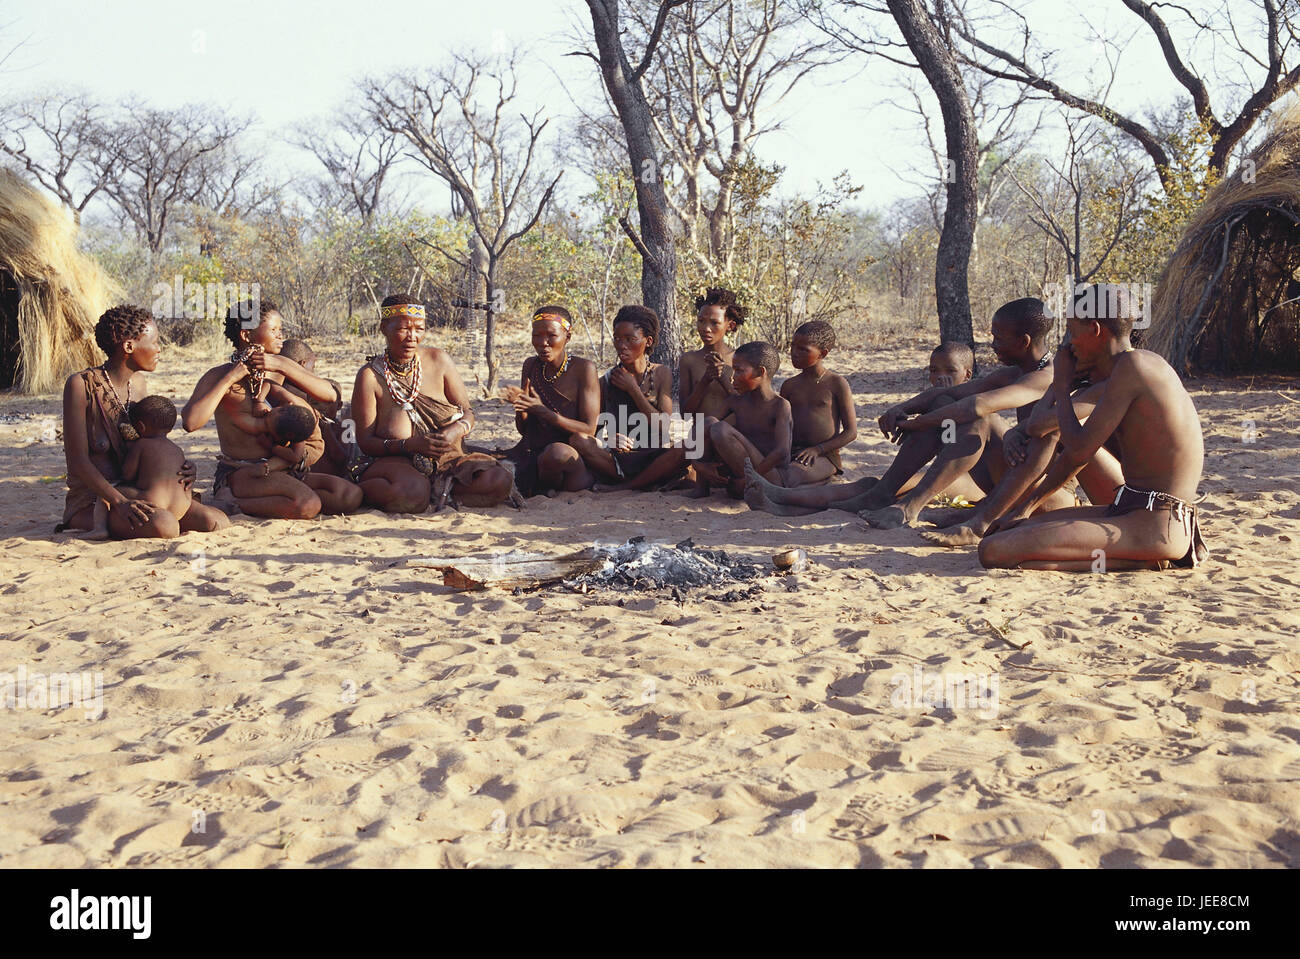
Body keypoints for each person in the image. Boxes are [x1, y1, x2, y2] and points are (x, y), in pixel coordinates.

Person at [742, 299, 1054, 523]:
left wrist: (918, 424)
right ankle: (785, 502)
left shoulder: (1045, 375)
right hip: (1001, 477)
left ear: (1024, 341)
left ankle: (907, 505)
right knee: (878, 483)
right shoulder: (1016, 370)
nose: (992, 343)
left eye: (998, 337)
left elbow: (976, 404)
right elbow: (951, 393)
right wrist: (902, 408)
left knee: (972, 416)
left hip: (1043, 494)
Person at [979, 284, 1207, 570]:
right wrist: (1023, 509)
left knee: (993, 551)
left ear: (1095, 330)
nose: (1068, 345)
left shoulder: (1135, 367)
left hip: (1156, 523)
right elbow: (1053, 437)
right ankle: (1138, 555)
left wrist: (1061, 387)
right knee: (1009, 531)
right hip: (1128, 511)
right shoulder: (1121, 371)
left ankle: (1147, 557)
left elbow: (1078, 449)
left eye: (1072, 332)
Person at [182, 297, 363, 518]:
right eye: (274, 329)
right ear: (246, 335)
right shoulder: (219, 375)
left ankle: (276, 497)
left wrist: (281, 364)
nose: (280, 335)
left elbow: (330, 397)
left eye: (281, 329)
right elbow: (191, 423)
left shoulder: (280, 368)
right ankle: (232, 501)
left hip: (282, 466)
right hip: (243, 471)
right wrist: (231, 378)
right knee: (307, 505)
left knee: (349, 495)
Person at [350, 294, 514, 512]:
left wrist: (456, 430)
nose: (412, 337)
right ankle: (409, 490)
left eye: (419, 329)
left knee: (498, 480)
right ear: (383, 328)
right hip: (396, 461)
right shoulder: (370, 376)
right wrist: (409, 445)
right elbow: (366, 442)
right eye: (403, 329)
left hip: (447, 458)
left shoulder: (439, 360)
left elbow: (468, 412)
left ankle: (437, 489)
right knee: (412, 493)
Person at [58, 304, 203, 539]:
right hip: (95, 503)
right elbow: (78, 463)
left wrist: (183, 470)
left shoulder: (139, 385)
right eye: (154, 342)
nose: (159, 349)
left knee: (212, 520)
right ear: (129, 346)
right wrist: (120, 502)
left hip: (139, 493)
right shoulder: (80, 385)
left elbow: (148, 442)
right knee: (165, 525)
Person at [601, 288, 744, 493]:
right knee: (691, 448)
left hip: (729, 437)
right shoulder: (689, 360)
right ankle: (667, 478)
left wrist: (723, 379)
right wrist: (705, 380)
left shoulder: (740, 360)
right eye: (701, 321)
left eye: (714, 322)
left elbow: (746, 408)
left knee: (733, 486)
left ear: (730, 325)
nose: (706, 328)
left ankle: (679, 476)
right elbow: (686, 413)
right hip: (699, 441)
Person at [569, 305, 674, 487]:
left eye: (630, 339)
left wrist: (633, 389)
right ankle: (637, 483)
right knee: (578, 440)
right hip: (621, 460)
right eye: (617, 339)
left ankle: (631, 484)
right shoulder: (607, 381)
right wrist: (608, 441)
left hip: (655, 456)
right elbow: (591, 429)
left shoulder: (661, 374)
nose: (622, 346)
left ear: (648, 341)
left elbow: (663, 426)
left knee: (690, 447)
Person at [503, 306, 600, 496]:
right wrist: (521, 406)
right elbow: (524, 430)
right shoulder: (531, 365)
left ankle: (549, 486)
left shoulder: (584, 369)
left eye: (551, 336)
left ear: (568, 337)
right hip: (532, 452)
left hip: (570, 457)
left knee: (556, 454)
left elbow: (589, 429)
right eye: (537, 335)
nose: (543, 343)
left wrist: (542, 411)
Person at [119, 395, 230, 533]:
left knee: (112, 492)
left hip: (154, 500)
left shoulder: (141, 445)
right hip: (182, 504)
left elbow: (127, 474)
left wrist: (128, 447)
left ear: (140, 427)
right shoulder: (177, 449)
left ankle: (100, 526)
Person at [778, 320, 857, 486]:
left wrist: (818, 449)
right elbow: (782, 424)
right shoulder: (789, 385)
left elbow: (851, 432)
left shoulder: (836, 383)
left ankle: (826, 477)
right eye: (793, 346)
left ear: (823, 353)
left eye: (803, 349)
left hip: (825, 455)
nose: (794, 353)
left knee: (790, 477)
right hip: (793, 452)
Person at [708, 341, 792, 497]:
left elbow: (782, 451)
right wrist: (698, 464)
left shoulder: (780, 405)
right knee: (708, 423)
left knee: (720, 429)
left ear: (760, 372)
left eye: (739, 371)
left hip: (769, 476)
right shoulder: (736, 401)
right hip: (744, 470)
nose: (732, 378)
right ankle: (702, 486)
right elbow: (703, 426)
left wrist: (751, 477)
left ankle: (748, 483)